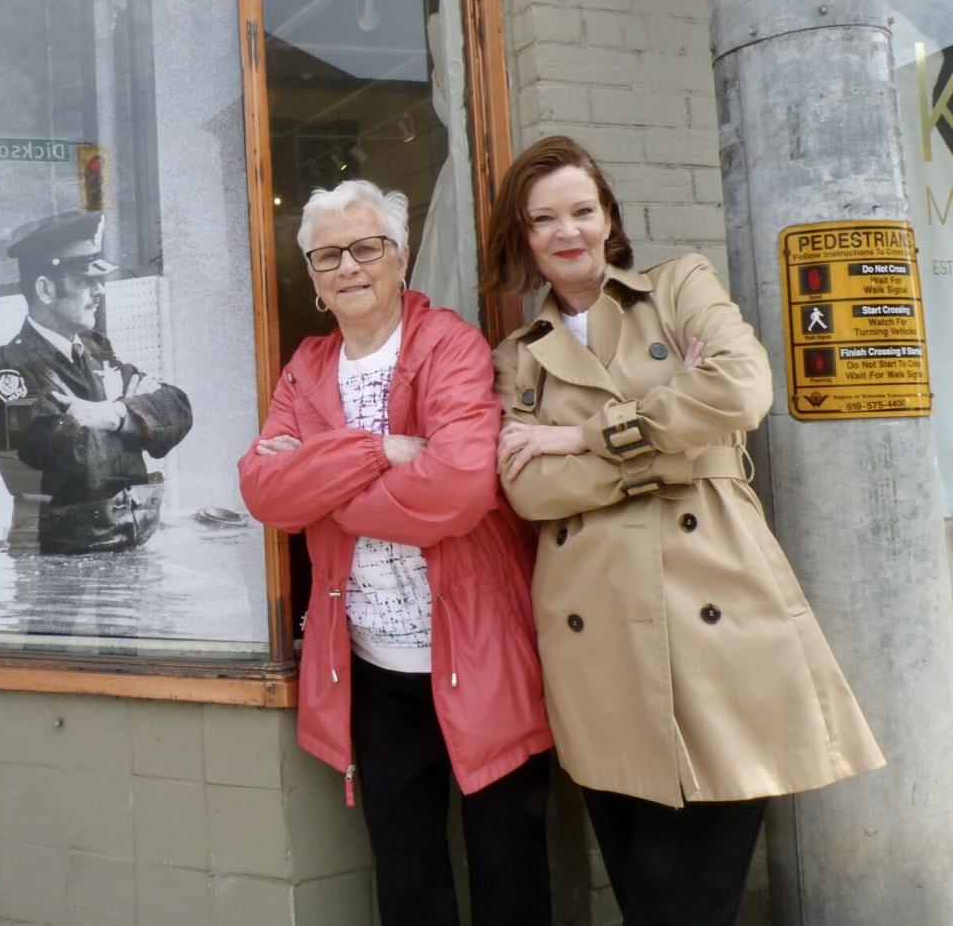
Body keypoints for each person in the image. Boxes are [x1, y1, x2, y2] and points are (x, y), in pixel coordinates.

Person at [489, 135, 884, 925]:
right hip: (597, 653)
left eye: (581, 210)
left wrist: (583, 437)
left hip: (716, 628)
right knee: (646, 900)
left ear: (608, 217)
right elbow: (528, 491)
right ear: (523, 238)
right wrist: (677, 445)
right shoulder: (517, 357)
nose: (567, 231)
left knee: (683, 901)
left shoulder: (678, 285)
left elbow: (739, 391)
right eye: (543, 219)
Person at [238, 180, 553, 926]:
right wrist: (381, 448)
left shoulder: (448, 342)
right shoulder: (306, 367)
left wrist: (318, 480)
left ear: (400, 255)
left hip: (480, 654)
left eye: (366, 246)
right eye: (327, 255)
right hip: (372, 670)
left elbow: (458, 488)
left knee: (510, 875)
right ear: (313, 278)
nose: (348, 266)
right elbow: (263, 494)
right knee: (407, 880)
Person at [0, 210, 192, 555]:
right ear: (45, 289)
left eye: (99, 280)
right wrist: (133, 422)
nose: (99, 292)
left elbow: (178, 408)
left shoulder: (97, 352)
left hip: (124, 545)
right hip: (56, 562)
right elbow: (37, 469)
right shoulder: (11, 370)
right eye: (84, 281)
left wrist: (114, 415)